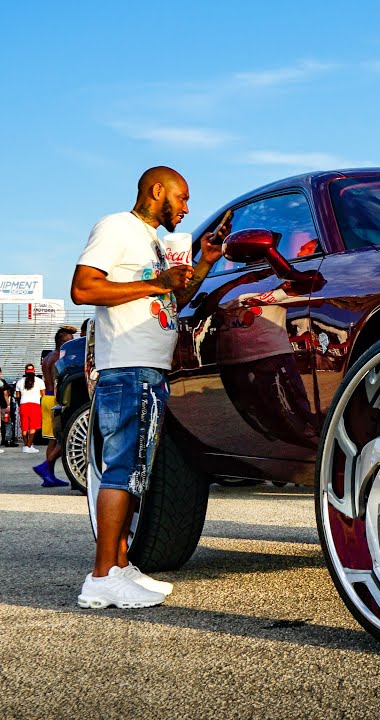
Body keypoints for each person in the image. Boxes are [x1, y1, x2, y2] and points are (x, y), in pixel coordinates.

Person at [70, 166, 227, 610]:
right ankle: (102, 576)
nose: (187, 208)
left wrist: (204, 262)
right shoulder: (117, 226)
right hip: (126, 367)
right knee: (123, 469)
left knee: (136, 471)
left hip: (149, 369)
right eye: (182, 197)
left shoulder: (154, 242)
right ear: (158, 190)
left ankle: (120, 566)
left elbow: (170, 299)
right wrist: (158, 282)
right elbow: (83, 288)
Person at [32, 326, 78, 487]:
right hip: (55, 398)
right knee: (64, 436)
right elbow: (58, 380)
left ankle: (49, 476)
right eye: (69, 341)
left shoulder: (48, 357)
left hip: (47, 398)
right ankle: (46, 467)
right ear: (61, 342)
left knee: (53, 438)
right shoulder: (59, 357)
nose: (71, 344)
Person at [15, 364, 44, 454]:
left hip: (23, 405)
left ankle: (25, 445)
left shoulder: (20, 382)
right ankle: (29, 446)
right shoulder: (40, 381)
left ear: (25, 371)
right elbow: (43, 394)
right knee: (33, 426)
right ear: (34, 371)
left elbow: (17, 396)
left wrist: (19, 403)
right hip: (35, 405)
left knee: (24, 426)